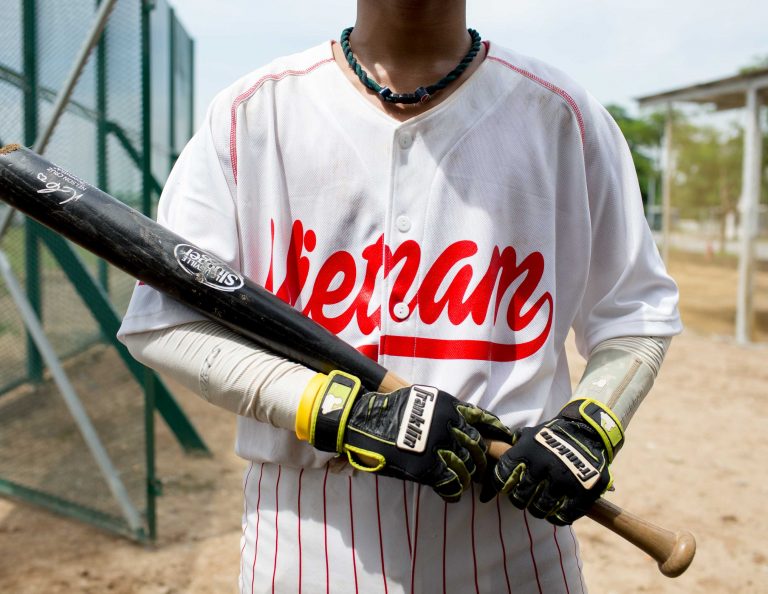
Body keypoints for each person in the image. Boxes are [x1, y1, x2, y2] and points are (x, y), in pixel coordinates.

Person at [118, 1, 682, 592]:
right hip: (308, 528)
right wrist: (342, 412)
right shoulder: (251, 112)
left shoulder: (561, 114)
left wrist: (591, 422)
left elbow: (635, 310)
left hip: (511, 531)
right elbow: (166, 319)